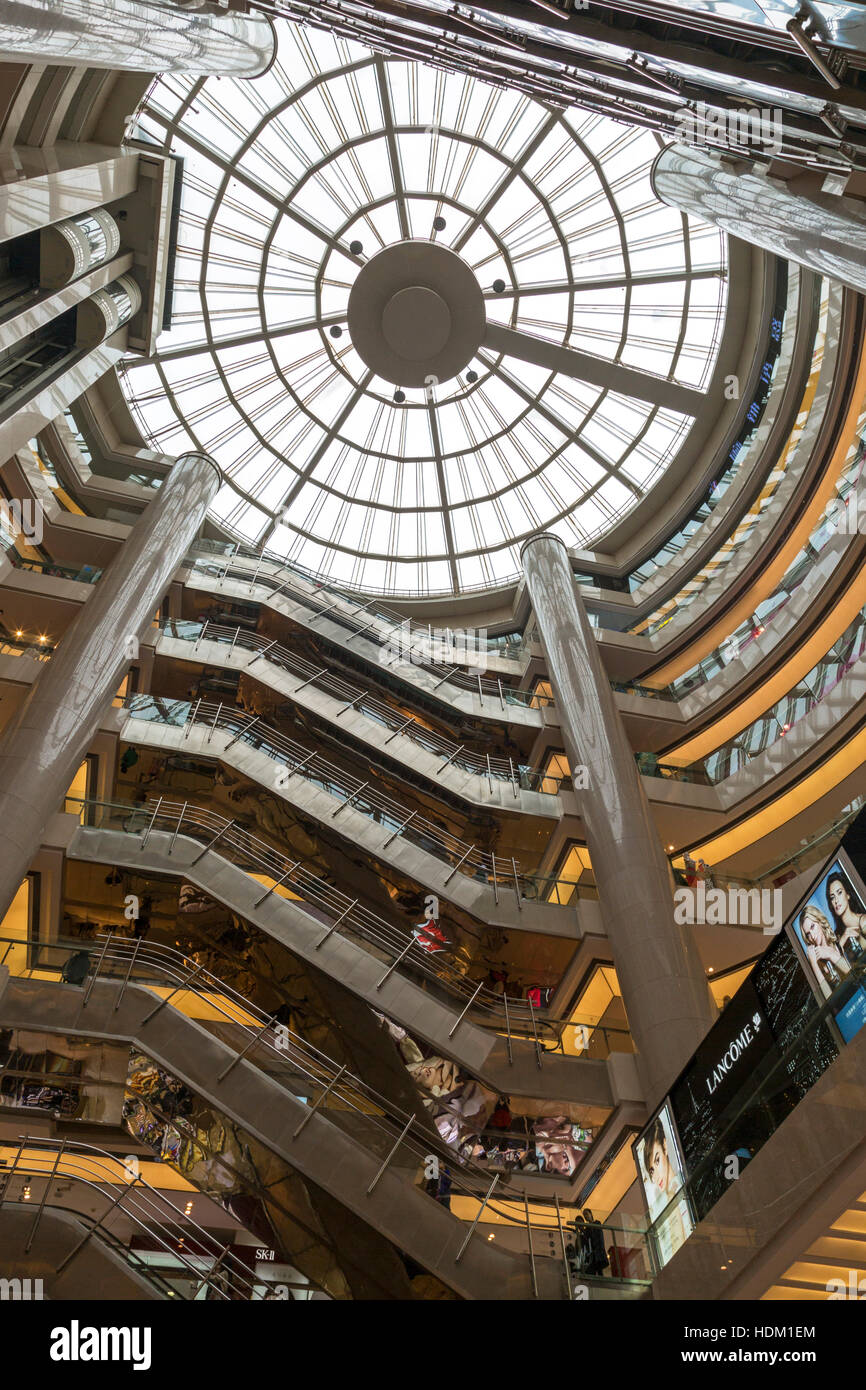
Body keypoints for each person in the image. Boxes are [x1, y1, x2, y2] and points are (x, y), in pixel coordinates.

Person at [799, 904, 851, 998]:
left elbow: (856, 974)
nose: (813, 936)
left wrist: (830, 954)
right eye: (808, 934)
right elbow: (829, 1000)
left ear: (819, 921)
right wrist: (814, 964)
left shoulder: (839, 940)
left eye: (812, 926)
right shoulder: (817, 963)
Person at [826, 871, 866, 964]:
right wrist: (842, 940)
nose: (836, 900)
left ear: (847, 895)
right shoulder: (838, 935)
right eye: (832, 897)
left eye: (839, 893)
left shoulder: (863, 921)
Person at [582, 1209, 609, 1277]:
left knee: (599, 1268)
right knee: (594, 1268)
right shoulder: (587, 1228)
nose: (585, 1216)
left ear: (591, 1214)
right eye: (584, 1215)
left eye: (586, 1214)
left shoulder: (597, 1223)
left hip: (598, 1249)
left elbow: (600, 1237)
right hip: (593, 1251)